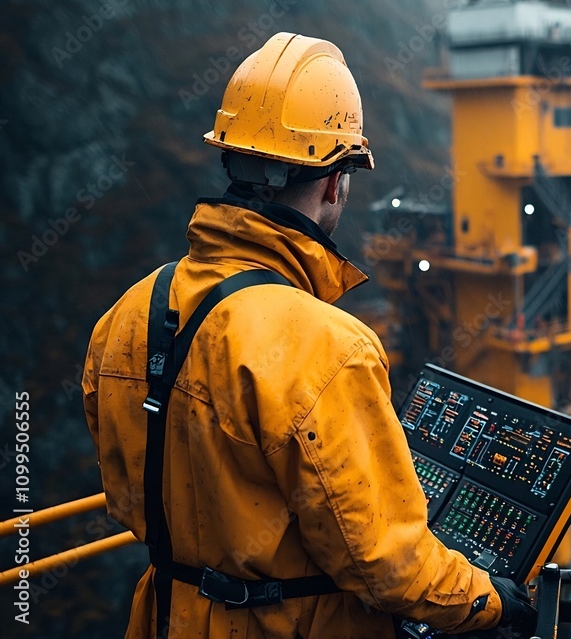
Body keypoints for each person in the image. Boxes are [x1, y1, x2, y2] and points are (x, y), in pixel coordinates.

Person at [82, 32, 536, 639]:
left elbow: (126, 492)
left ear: (232, 160)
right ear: (333, 183)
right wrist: (491, 601)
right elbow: (389, 567)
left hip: (165, 616)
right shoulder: (329, 348)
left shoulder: (126, 314)